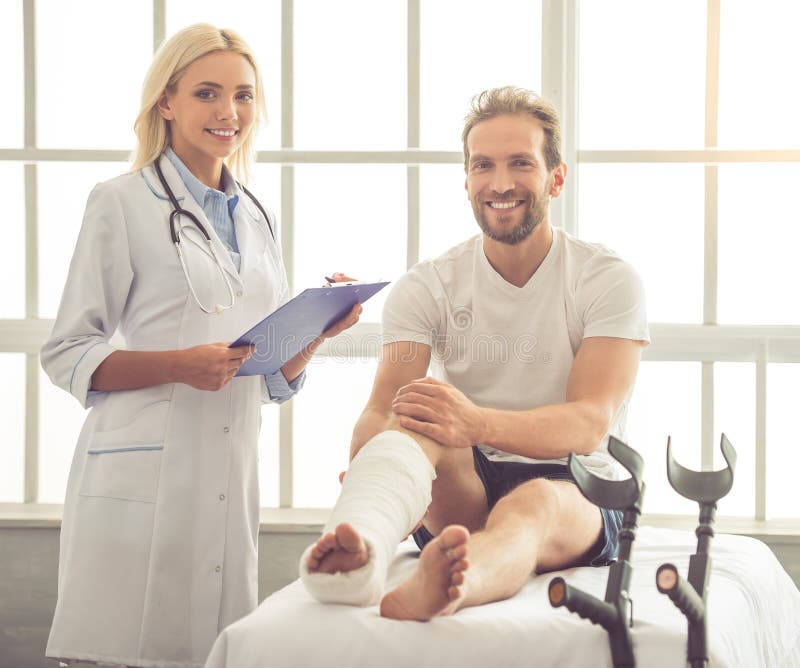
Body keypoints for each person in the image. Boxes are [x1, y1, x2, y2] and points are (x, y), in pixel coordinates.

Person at [41, 24, 359, 668]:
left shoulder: (255, 215)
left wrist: (317, 333)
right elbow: (67, 350)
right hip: (140, 474)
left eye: (243, 96)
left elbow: (263, 374)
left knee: (211, 654)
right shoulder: (121, 203)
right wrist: (181, 367)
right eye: (207, 93)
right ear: (167, 102)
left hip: (228, 474)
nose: (228, 113)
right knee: (124, 651)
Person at [299, 86, 649, 620]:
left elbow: (587, 425)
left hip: (577, 484)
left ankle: (453, 585)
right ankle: (360, 548)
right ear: (466, 180)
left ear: (556, 177)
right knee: (416, 416)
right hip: (467, 483)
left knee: (533, 502)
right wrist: (374, 462)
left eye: (520, 164)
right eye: (483, 165)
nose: (500, 183)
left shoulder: (606, 278)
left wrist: (476, 422)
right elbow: (383, 406)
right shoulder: (429, 284)